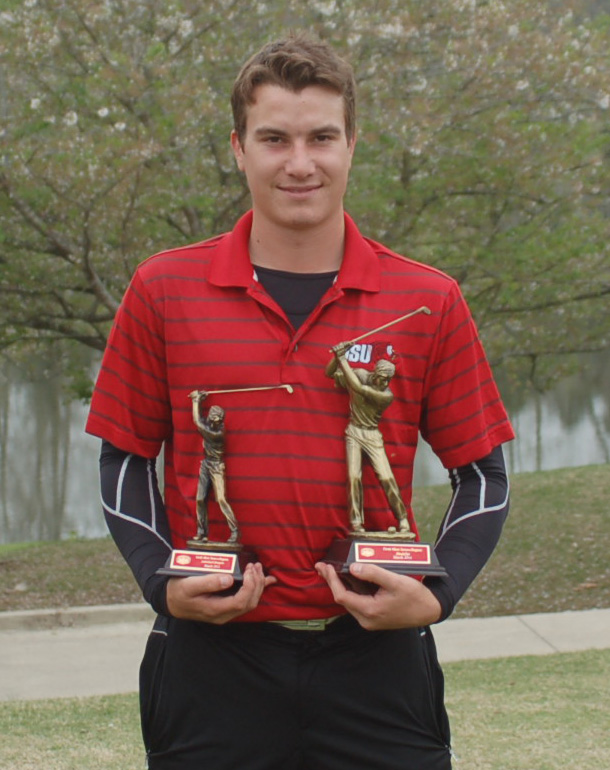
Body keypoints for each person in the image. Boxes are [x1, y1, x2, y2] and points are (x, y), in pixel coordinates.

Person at [87, 32, 514, 770]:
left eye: (321, 137)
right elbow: (124, 458)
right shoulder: (163, 289)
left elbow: (485, 473)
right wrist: (161, 581)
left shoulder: (427, 299)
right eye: (274, 138)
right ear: (238, 148)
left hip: (378, 666)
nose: (299, 163)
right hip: (211, 667)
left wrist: (440, 595)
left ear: (352, 143)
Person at [326, 343, 411, 535]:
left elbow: (357, 388)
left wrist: (343, 359)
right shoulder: (360, 373)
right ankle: (356, 523)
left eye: (388, 380)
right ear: (375, 374)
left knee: (386, 477)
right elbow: (329, 373)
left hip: (373, 435)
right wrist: (336, 355)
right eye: (382, 379)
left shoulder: (385, 395)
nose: (385, 383)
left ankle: (402, 519)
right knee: (353, 477)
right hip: (354, 432)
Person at [188, 393, 239, 544]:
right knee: (200, 498)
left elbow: (197, 421)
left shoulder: (217, 433)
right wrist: (201, 400)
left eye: (215, 419)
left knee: (221, 499)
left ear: (220, 421)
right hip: (205, 464)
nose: (212, 420)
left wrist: (196, 400)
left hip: (217, 466)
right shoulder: (210, 425)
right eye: (211, 418)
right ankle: (201, 532)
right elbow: (201, 420)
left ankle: (234, 530)